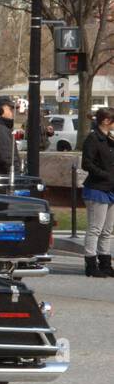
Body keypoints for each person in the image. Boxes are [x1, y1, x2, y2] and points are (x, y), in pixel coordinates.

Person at [81, 108, 114, 278]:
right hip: (96, 189)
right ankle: (91, 264)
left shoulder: (110, 139)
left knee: (107, 230)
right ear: (106, 121)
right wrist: (106, 175)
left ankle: (106, 263)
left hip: (110, 189)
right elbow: (86, 164)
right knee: (95, 228)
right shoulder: (93, 139)